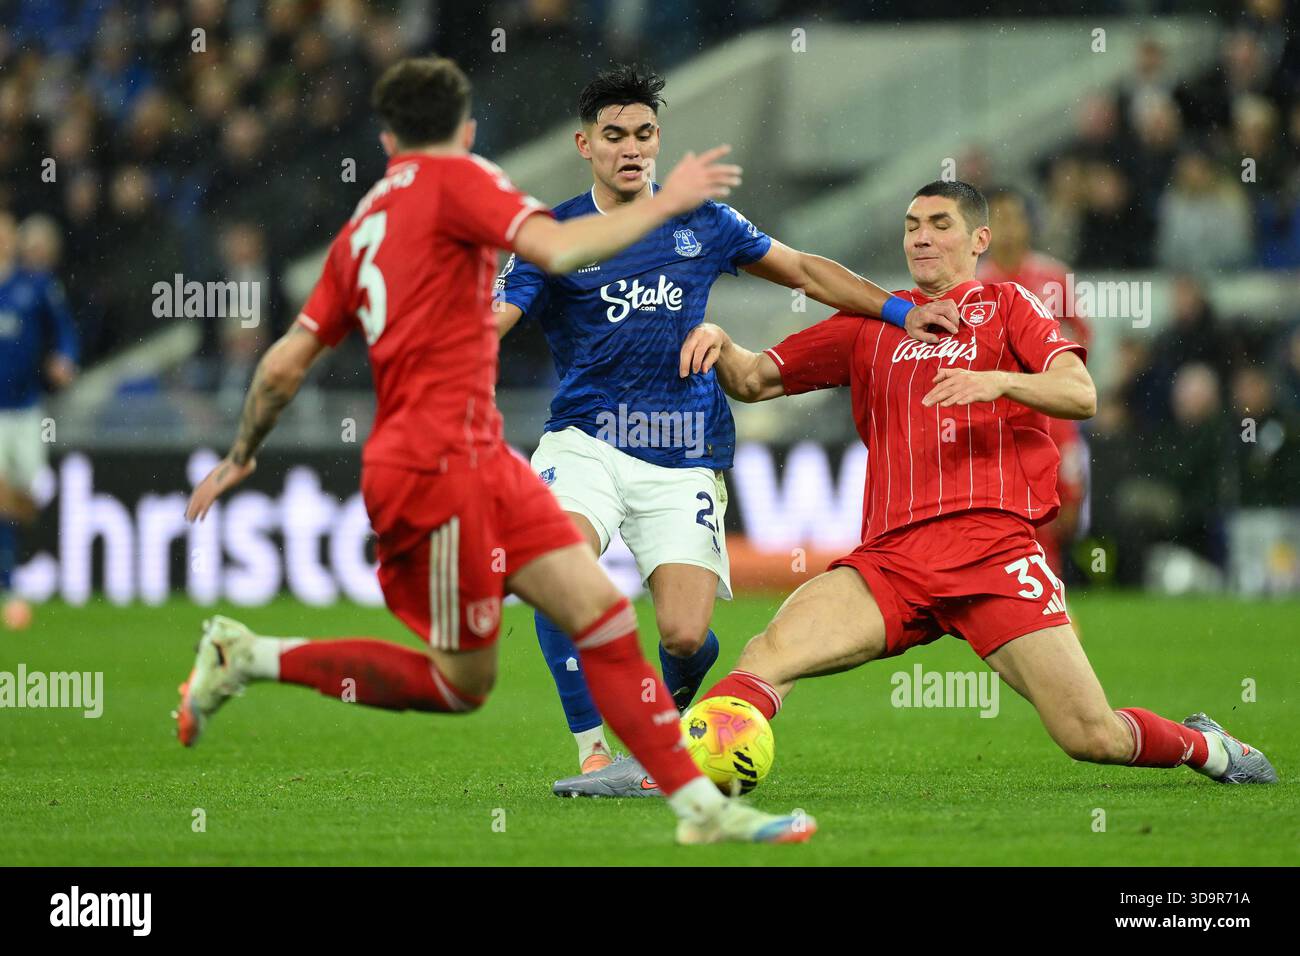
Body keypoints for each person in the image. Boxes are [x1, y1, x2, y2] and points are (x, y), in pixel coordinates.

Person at [178, 56, 816, 846]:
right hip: (433, 466)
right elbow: (564, 251)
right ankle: (253, 656)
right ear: (468, 133)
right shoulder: (466, 181)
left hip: (470, 456)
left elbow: (281, 365)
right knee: (462, 682)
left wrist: (243, 451)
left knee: (597, 610)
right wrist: (672, 202)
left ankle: (703, 809)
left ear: (385, 138)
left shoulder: (362, 228)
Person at [567, 180, 1277, 795]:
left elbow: (1080, 390)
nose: (922, 238)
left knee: (1091, 734)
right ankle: (667, 762)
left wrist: (998, 378)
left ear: (979, 241)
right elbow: (756, 381)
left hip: (992, 550)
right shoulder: (873, 324)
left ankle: (1209, 747)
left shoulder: (1009, 308)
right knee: (767, 654)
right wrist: (717, 341)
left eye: (940, 225)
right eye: (911, 226)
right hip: (892, 561)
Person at [496, 64, 958, 788]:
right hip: (585, 436)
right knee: (560, 569)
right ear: (584, 145)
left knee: (684, 634)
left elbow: (803, 270)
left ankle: (672, 728)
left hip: (683, 449)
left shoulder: (703, 223)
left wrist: (901, 311)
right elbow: (498, 319)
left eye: (645, 134)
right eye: (614, 135)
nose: (632, 149)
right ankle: (592, 749)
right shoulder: (552, 233)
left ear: (658, 141)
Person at [0, 210, 78, 629]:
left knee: (26, 497)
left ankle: (11, 574)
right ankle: (10, 588)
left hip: (28, 409)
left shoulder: (35, 286)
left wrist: (65, 357)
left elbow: (64, 328)